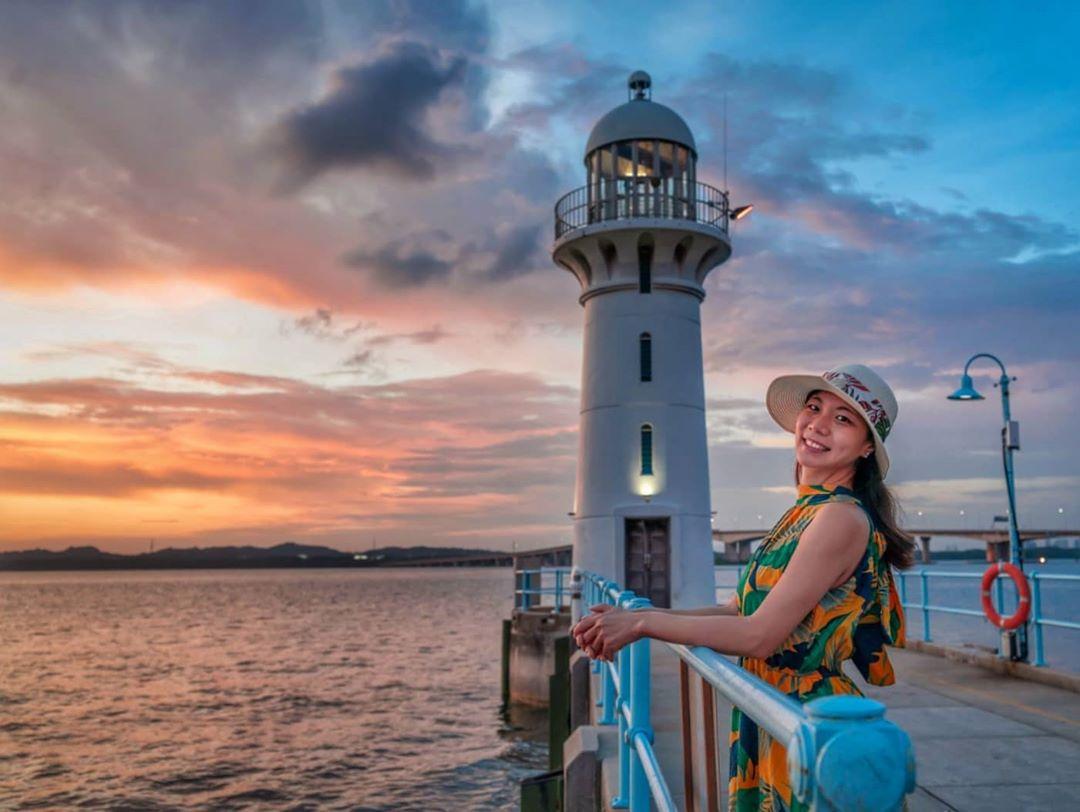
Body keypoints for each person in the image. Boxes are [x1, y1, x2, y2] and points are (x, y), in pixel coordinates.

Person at [571, 363, 915, 812]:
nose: (819, 424)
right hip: (771, 711)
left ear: (867, 448)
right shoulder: (804, 513)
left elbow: (759, 635)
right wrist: (634, 617)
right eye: (814, 407)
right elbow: (737, 611)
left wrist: (643, 622)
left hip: (808, 720)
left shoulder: (840, 518)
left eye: (843, 419)